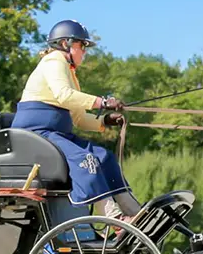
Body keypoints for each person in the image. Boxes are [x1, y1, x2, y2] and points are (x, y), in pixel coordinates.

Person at [11, 19, 141, 223]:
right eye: (82, 45)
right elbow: (64, 95)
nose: (85, 52)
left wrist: (104, 120)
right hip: (36, 133)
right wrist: (102, 102)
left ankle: (133, 210)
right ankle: (114, 218)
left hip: (53, 134)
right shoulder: (55, 61)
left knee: (103, 156)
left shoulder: (69, 71)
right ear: (65, 44)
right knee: (85, 159)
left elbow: (77, 116)